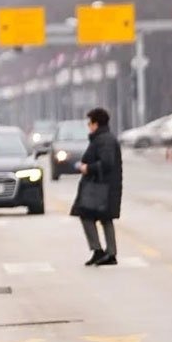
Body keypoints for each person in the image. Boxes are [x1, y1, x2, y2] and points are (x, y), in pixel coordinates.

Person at [71, 107, 122, 266]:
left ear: (96, 124)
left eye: (90, 123)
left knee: (86, 214)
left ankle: (99, 250)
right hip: (105, 185)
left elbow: (106, 163)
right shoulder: (103, 138)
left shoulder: (104, 140)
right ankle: (110, 253)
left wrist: (88, 168)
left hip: (100, 186)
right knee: (105, 218)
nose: (89, 126)